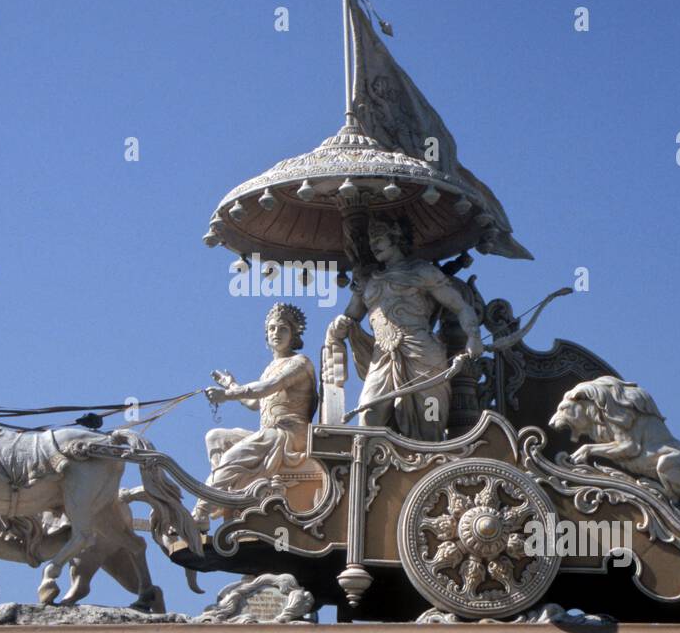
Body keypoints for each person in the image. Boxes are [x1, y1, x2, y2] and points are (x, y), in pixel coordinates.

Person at [326, 216, 482, 441]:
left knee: (430, 418)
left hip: (422, 353)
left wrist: (474, 337)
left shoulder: (421, 271)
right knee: (369, 415)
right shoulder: (369, 280)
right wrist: (338, 327)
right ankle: (368, 470)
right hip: (382, 356)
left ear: (396, 238)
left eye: (379, 239)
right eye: (371, 241)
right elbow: (351, 315)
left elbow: (460, 306)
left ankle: (430, 468)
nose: (374, 245)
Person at [193, 303, 317, 528]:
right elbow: (254, 402)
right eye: (271, 329)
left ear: (294, 334)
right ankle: (228, 495)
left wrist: (228, 394)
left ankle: (201, 512)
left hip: (290, 433)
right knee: (215, 437)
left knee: (231, 457)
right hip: (268, 432)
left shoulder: (300, 362)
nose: (276, 334)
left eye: (282, 329)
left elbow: (270, 386)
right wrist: (230, 383)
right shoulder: (270, 366)